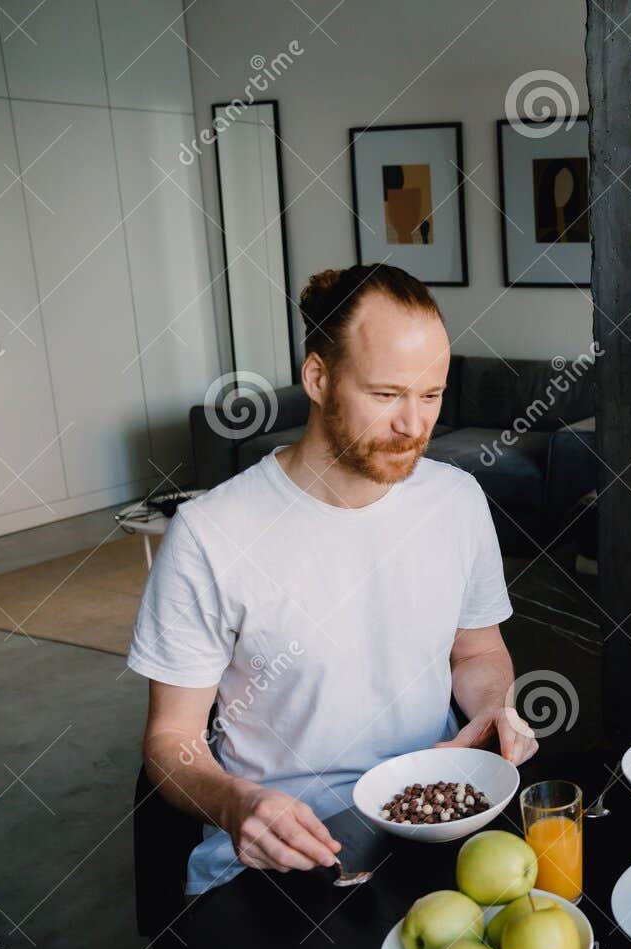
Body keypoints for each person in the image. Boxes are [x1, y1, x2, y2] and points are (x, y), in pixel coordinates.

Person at [129, 264, 536, 895]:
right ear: (318, 378)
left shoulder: (457, 500)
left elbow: (477, 650)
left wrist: (491, 711)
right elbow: (171, 738)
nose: (413, 425)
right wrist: (237, 806)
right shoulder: (211, 534)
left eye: (431, 396)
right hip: (278, 855)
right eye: (385, 395)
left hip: (429, 819)